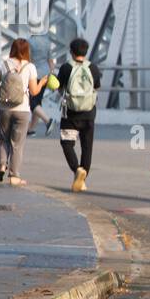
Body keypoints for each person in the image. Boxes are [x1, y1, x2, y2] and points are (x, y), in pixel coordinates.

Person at [0, 38, 45, 186]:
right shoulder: (30, 67)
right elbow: (34, 91)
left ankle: (2, 166)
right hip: (22, 109)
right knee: (17, 143)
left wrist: (4, 89)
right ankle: (14, 176)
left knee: (3, 138)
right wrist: (42, 82)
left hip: (4, 108)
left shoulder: (3, 64)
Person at [56, 37, 101, 192]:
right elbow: (97, 88)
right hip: (89, 113)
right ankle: (82, 180)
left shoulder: (66, 68)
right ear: (86, 51)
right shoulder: (93, 68)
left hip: (71, 114)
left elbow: (59, 88)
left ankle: (77, 170)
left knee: (67, 143)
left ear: (71, 52)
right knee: (87, 147)